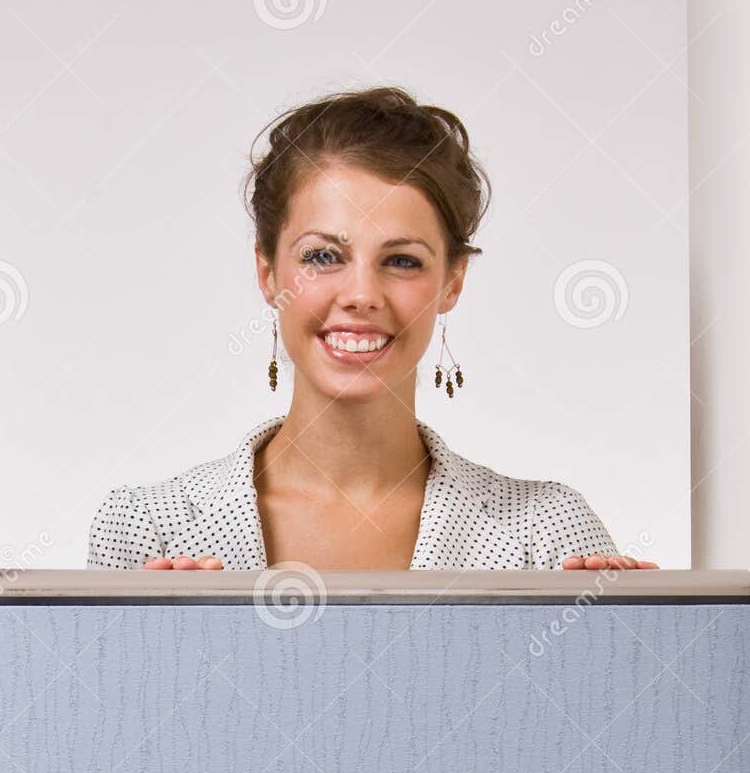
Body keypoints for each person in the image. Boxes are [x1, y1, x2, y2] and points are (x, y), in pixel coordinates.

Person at [87, 85, 656, 574]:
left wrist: (635, 650)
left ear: (452, 281)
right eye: (322, 256)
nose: (361, 295)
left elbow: (603, 705)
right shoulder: (146, 527)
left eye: (402, 261)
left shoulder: (547, 534)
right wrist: (162, 651)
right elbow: (90, 704)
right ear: (267, 272)